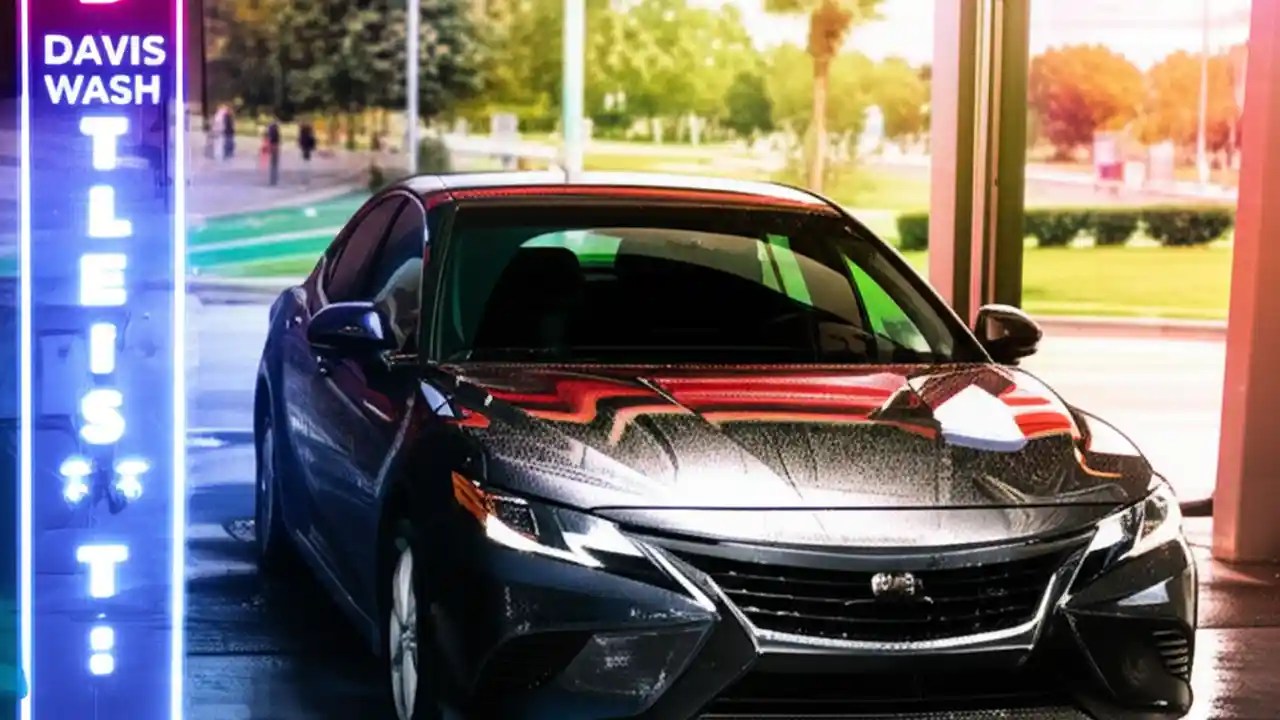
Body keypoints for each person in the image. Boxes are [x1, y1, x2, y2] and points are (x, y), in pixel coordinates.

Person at [298, 119, 317, 186]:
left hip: (305, 146)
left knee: (305, 160)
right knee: (306, 160)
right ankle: (306, 172)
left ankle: (305, 172)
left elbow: (301, 139)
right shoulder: (307, 131)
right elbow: (312, 139)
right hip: (307, 146)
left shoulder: (303, 131)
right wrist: (313, 146)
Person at [265, 117, 281, 186]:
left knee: (273, 164)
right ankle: (273, 180)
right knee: (274, 164)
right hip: (274, 146)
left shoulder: (270, 129)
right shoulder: (274, 130)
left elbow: (268, 137)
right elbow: (275, 139)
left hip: (272, 146)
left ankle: (273, 179)